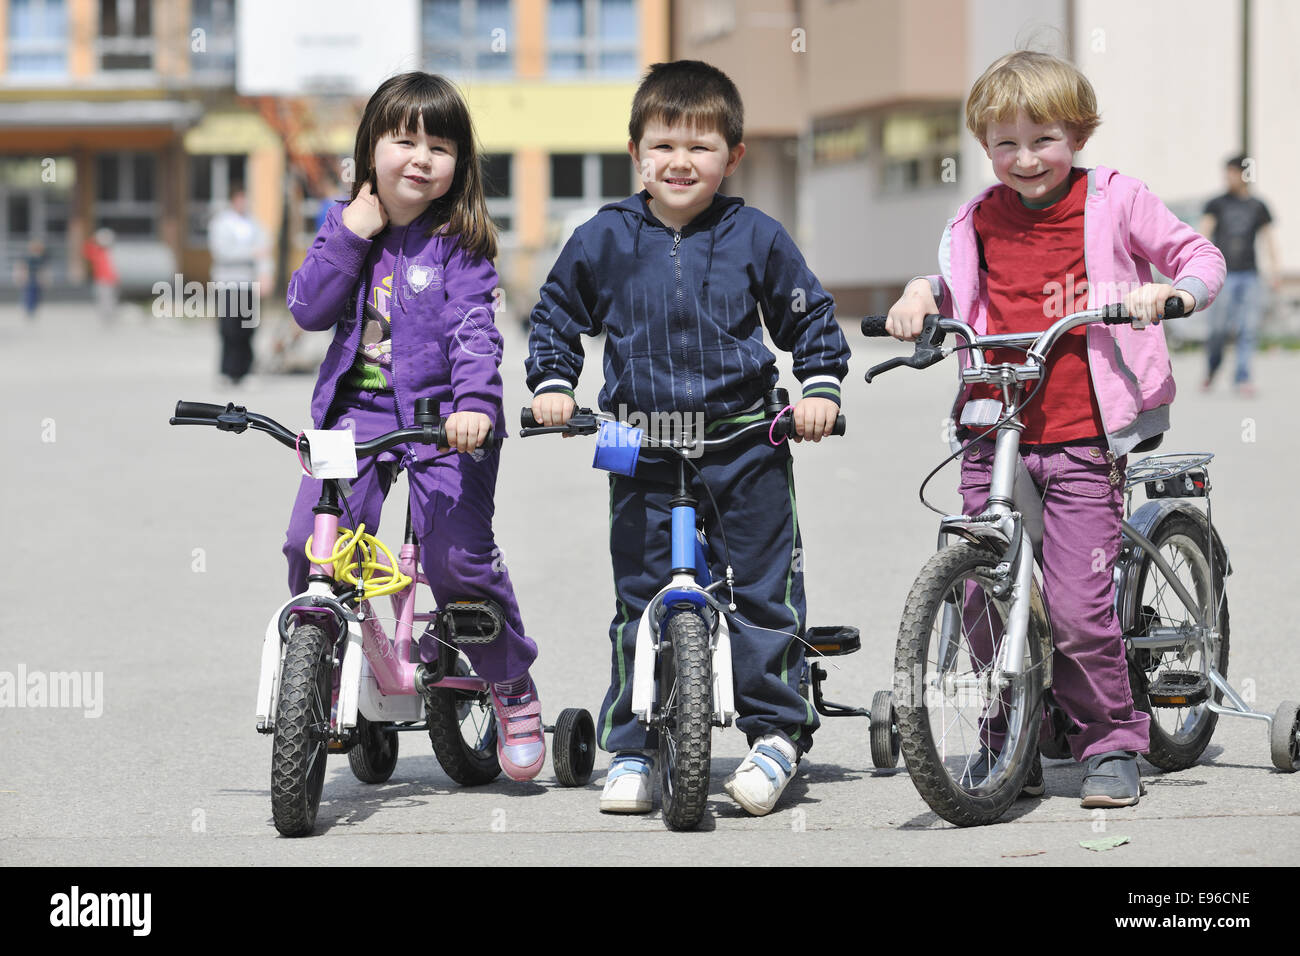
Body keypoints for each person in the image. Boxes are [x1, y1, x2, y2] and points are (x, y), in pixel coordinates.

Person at [886, 50, 1225, 808]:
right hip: (991, 426)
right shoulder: (974, 217)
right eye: (1004, 143)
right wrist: (918, 291)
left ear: (1076, 132)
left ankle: (1111, 740)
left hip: (1079, 432)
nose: (1025, 158)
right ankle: (1017, 730)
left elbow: (1199, 254)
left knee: (1076, 608)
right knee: (980, 595)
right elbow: (953, 282)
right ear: (983, 147)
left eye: (1043, 138)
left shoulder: (1114, 199)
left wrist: (1174, 292)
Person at [526, 60, 850, 817]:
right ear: (635, 150)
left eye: (701, 147)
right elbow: (556, 316)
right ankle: (635, 744)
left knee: (764, 597)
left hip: (744, 438)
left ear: (733, 157)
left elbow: (808, 317)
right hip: (635, 440)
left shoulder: (756, 237)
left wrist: (821, 388)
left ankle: (776, 734)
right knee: (638, 597)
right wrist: (552, 384)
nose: (680, 161)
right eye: (663, 143)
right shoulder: (603, 237)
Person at [283, 72, 546, 781]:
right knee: (312, 547)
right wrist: (351, 234)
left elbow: (474, 335)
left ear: (459, 162)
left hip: (442, 420)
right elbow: (306, 308)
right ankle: (328, 671)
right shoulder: (345, 224)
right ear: (372, 149)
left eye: (441, 144)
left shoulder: (459, 242)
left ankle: (508, 680)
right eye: (405, 139)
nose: (421, 157)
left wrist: (475, 407)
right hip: (352, 418)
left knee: (458, 559)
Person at [1199, 154, 1280, 396]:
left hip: (1250, 276)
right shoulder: (1216, 204)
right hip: (1222, 276)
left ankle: (1242, 377)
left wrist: (1275, 271)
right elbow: (1203, 234)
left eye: (1232, 172)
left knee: (1248, 327)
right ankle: (1213, 368)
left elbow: (1269, 239)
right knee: (1218, 329)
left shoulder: (1258, 206)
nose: (1228, 177)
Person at [209, 183, 271, 386]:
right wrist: (250, 253)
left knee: (248, 328)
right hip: (228, 283)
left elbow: (265, 253)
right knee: (229, 329)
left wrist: (265, 275)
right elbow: (222, 252)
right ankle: (227, 370)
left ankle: (246, 370)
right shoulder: (221, 223)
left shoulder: (254, 224)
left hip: (248, 284)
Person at [82, 228, 119, 323]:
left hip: (111, 279)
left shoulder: (111, 251)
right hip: (101, 279)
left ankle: (111, 316)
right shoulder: (97, 252)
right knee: (103, 298)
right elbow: (87, 249)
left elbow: (115, 266)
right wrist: (93, 239)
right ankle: (105, 316)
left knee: (111, 298)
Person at [16, 238, 46, 321]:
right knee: (29, 294)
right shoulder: (28, 257)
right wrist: (21, 277)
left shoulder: (40, 258)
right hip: (29, 278)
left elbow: (41, 269)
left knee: (36, 295)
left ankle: (33, 310)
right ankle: (29, 310)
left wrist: (43, 278)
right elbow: (23, 267)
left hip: (36, 278)